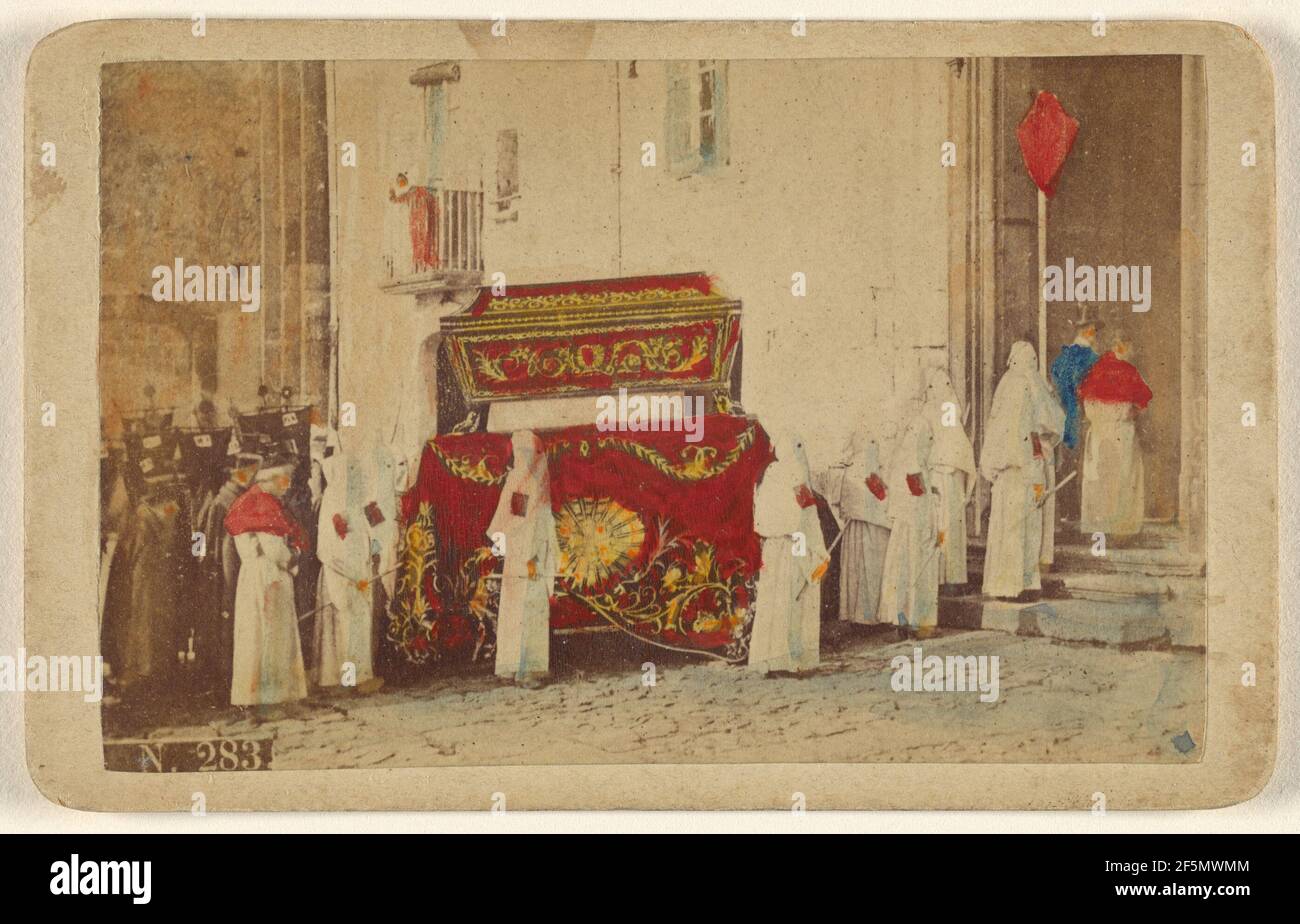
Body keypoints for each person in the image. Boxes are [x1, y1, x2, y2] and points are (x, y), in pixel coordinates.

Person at [980, 342, 1066, 600]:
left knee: (1008, 528)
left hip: (1006, 474)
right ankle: (1022, 585)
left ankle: (1004, 585)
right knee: (1024, 528)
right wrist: (1037, 469)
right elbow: (1033, 435)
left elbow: (998, 436)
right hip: (1024, 470)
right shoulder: (1028, 386)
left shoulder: (1006, 385)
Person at [225, 454, 309, 711]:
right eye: (283, 479)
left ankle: (250, 698)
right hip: (270, 575)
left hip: (250, 577)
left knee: (253, 636)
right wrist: (293, 557)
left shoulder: (245, 502)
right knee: (274, 636)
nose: (286, 485)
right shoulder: (265, 506)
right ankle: (275, 697)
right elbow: (275, 551)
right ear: (269, 479)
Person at [749, 431, 827, 675]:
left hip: (772, 549)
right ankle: (792, 660)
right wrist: (819, 553)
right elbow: (806, 519)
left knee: (773, 602)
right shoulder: (797, 479)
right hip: (795, 544)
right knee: (793, 600)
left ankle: (770, 660)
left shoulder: (767, 475)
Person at [487, 430, 559, 687]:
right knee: (520, 608)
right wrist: (524, 557)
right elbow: (515, 525)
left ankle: (530, 667)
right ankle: (519, 669)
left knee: (534, 608)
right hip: (522, 560)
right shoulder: (519, 482)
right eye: (524, 453)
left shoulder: (539, 481)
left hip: (535, 556)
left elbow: (544, 523)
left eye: (533, 453)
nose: (529, 459)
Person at [314, 435, 376, 692]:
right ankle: (345, 679)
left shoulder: (362, 501)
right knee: (344, 624)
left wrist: (375, 553)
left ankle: (362, 675)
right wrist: (351, 574)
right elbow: (329, 548)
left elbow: (374, 531)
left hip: (362, 573)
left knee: (361, 624)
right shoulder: (332, 504)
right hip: (343, 576)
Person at [817, 419, 894, 625]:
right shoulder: (870, 457)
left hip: (863, 504)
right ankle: (868, 615)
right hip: (870, 510)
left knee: (862, 563)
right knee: (869, 563)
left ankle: (858, 614)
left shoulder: (858, 463)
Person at [877, 393, 940, 635]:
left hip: (904, 512)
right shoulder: (920, 426)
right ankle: (917, 620)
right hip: (915, 514)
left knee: (901, 563)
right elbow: (916, 475)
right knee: (916, 563)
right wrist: (927, 497)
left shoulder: (908, 432)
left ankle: (901, 619)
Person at [1078, 333, 1153, 538]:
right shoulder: (1128, 370)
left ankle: (1098, 529)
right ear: (1123, 346)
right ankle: (1122, 531)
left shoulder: (1096, 369)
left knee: (1101, 479)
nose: (1132, 352)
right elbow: (1142, 404)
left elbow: (1086, 403)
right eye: (1130, 346)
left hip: (1100, 433)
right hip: (1122, 433)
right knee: (1122, 478)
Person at [923, 368, 977, 586]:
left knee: (942, 523)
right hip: (950, 475)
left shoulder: (931, 410)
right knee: (948, 524)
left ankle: (942, 576)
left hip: (938, 473)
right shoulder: (950, 408)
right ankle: (951, 576)